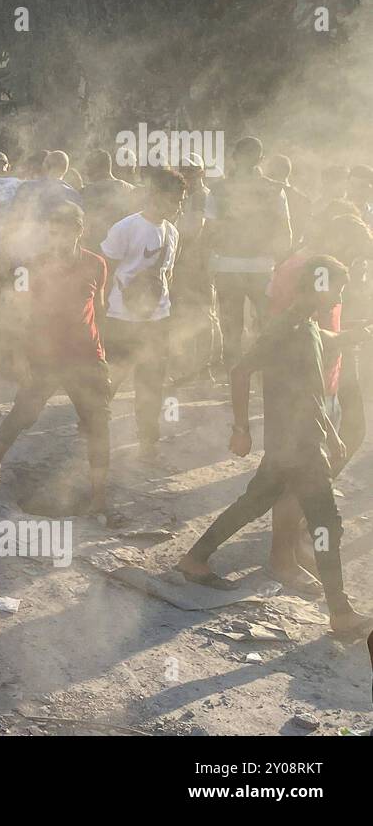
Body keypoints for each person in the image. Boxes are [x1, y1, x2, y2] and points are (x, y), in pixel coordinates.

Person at [176, 255, 370, 639]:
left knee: (253, 503)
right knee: (326, 522)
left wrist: (352, 336)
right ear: (317, 285)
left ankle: (195, 558)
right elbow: (241, 370)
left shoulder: (306, 324)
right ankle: (341, 613)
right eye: (336, 290)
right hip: (298, 445)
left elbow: (320, 346)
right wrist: (241, 428)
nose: (338, 299)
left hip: (293, 443)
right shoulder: (286, 328)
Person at [0, 202, 111, 516]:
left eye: (63, 231)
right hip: (44, 356)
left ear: (79, 231)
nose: (56, 239)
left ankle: (100, 496)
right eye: (51, 232)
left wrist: (104, 359)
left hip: (87, 358)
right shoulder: (32, 266)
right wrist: (18, 358)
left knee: (98, 425)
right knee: (24, 413)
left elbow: (99, 310)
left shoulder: (96, 264)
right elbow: (18, 314)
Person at [264, 211, 373, 594]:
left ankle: (293, 543)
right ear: (336, 241)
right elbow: (289, 330)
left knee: (312, 471)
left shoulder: (324, 269)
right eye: (352, 253)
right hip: (300, 387)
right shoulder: (301, 270)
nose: (353, 265)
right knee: (301, 473)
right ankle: (282, 558)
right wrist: (345, 339)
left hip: (323, 379)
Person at [100, 165, 186, 461]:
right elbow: (106, 269)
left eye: (181, 200)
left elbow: (168, 274)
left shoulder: (172, 232)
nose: (178, 206)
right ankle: (92, 426)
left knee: (152, 383)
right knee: (111, 379)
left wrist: (163, 308)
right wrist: (103, 309)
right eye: (175, 199)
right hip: (123, 318)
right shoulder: (126, 227)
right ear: (156, 195)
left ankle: (148, 442)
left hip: (156, 319)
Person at [207, 136, 293, 371]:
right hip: (263, 267)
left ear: (233, 157)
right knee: (266, 322)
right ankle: (267, 372)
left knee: (231, 327)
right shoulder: (275, 189)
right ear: (261, 159)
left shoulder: (217, 189)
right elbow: (285, 233)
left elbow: (210, 231)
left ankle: (235, 375)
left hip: (227, 266)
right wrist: (280, 264)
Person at [170, 153, 220, 383]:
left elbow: (196, 229)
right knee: (185, 316)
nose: (186, 176)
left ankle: (203, 367)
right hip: (185, 263)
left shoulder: (202, 196)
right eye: (183, 171)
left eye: (190, 171)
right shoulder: (186, 196)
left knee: (204, 316)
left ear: (200, 172)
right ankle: (189, 367)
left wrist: (176, 246)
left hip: (199, 264)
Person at [79, 148, 137, 253]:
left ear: (94, 168)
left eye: (88, 168)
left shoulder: (86, 192)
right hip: (125, 250)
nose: (86, 172)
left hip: (95, 249)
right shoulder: (131, 190)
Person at [263, 153, 311, 244]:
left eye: (269, 170)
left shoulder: (268, 194)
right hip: (290, 250)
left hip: (270, 249)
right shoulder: (303, 199)